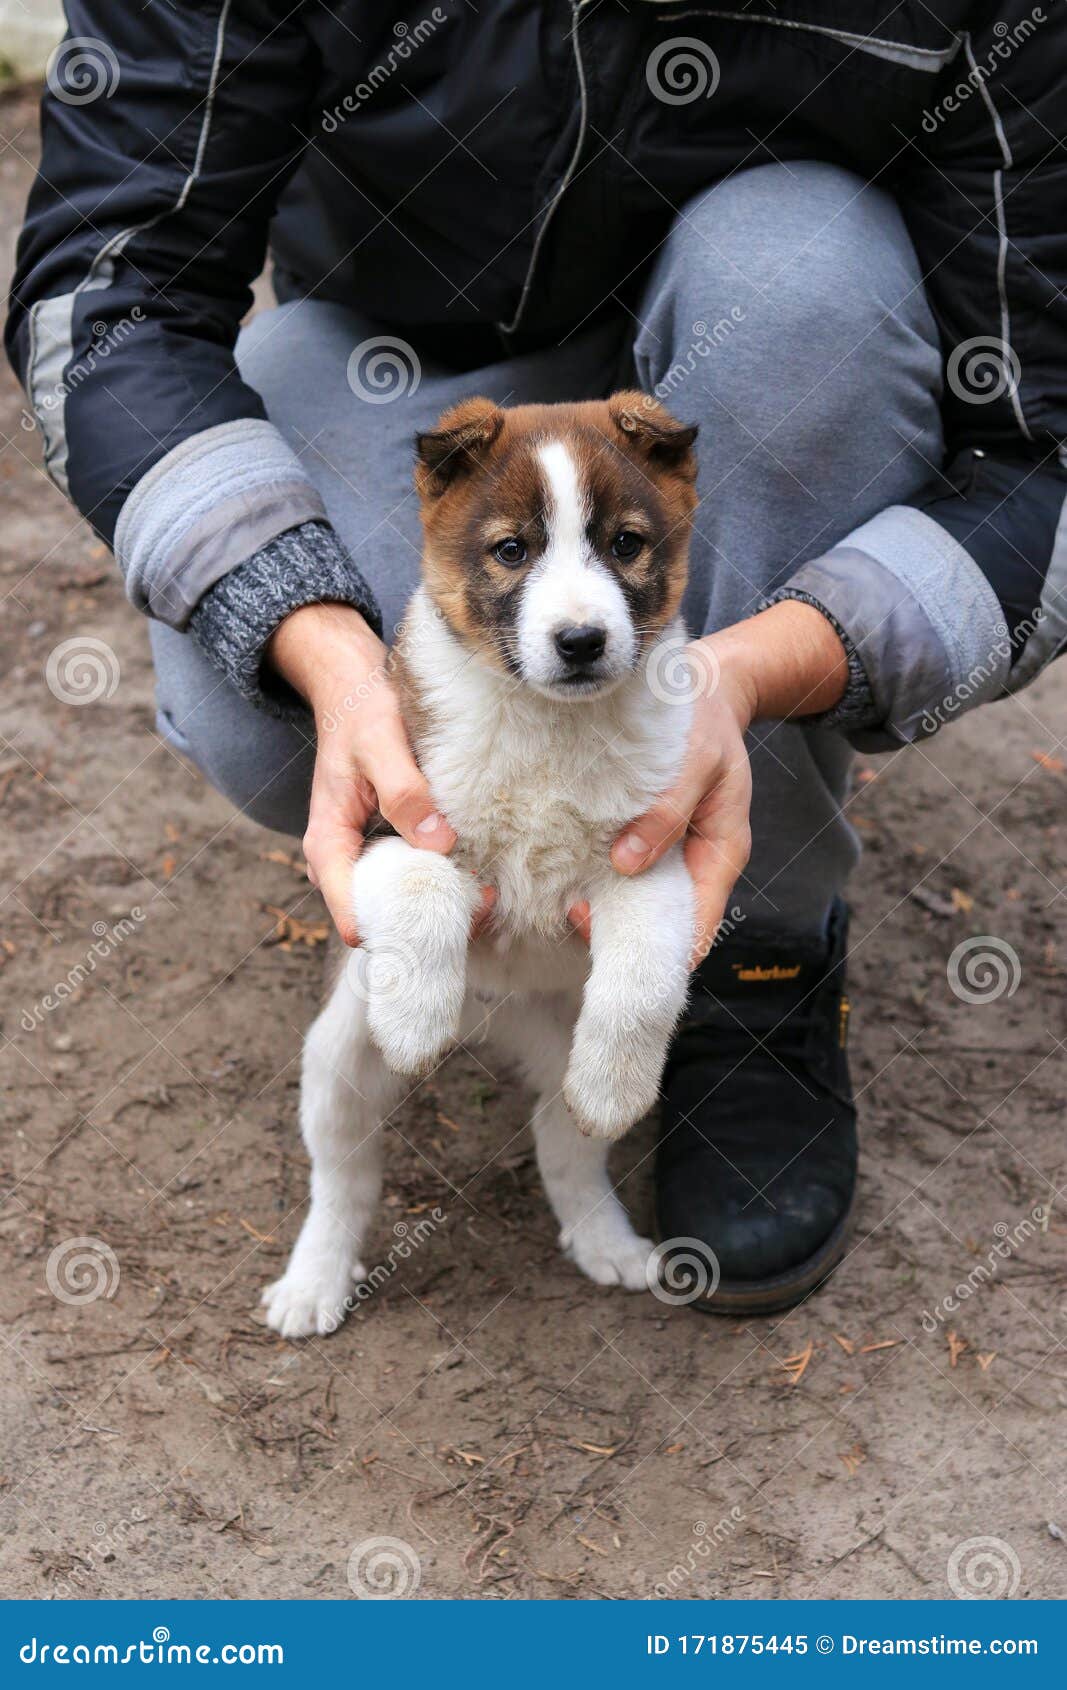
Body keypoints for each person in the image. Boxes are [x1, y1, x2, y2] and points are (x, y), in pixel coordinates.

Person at [8, 2, 1065, 1314]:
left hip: (753, 352)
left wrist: (774, 662)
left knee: (804, 291)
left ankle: (758, 937)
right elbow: (110, 294)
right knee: (262, 712)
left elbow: (1047, 449)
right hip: (412, 379)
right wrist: (307, 626)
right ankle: (458, 880)